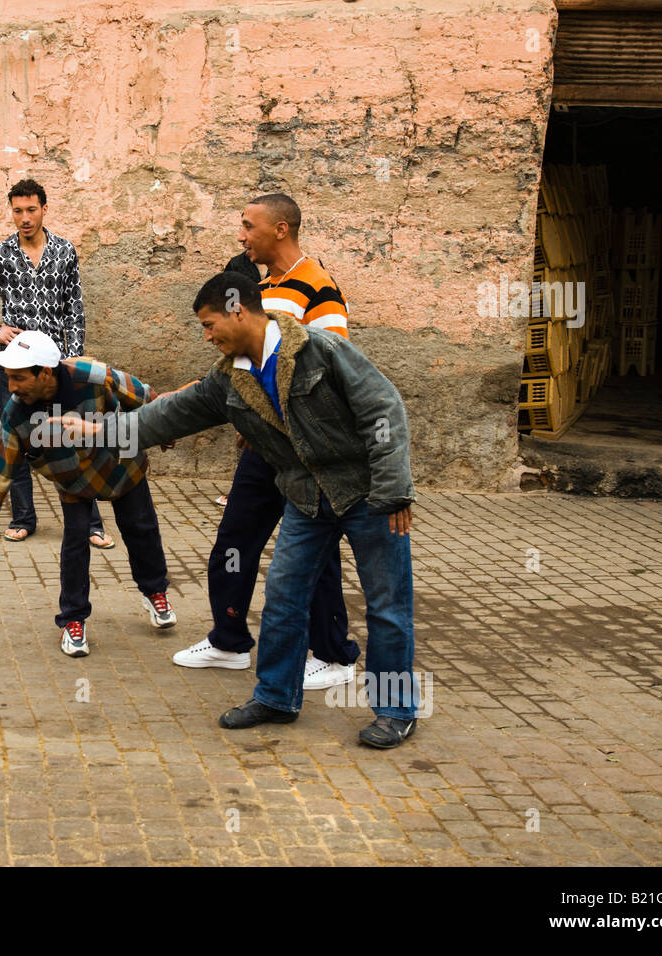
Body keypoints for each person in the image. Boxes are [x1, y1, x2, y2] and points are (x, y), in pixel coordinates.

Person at [87, 274, 420, 748]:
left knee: (387, 607)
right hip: (306, 497)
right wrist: (94, 432)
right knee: (284, 597)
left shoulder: (320, 350)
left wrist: (394, 491)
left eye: (208, 324)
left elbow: (382, 409)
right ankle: (277, 697)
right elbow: (167, 415)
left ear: (237, 309)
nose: (207, 335)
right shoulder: (229, 379)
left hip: (368, 495)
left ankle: (397, 710)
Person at [173, 195, 360, 692]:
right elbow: (244, 357)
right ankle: (229, 641)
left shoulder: (318, 288)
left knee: (314, 555)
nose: (241, 236)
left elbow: (330, 370)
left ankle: (336, 656)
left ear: (280, 230)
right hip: (262, 448)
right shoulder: (261, 288)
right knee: (234, 542)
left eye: (247, 226)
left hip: (304, 452)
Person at [0, 330, 176, 658]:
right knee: (75, 544)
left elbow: (143, 395)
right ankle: (73, 621)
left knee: (142, 530)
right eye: (8, 378)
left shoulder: (93, 377)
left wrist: (163, 428)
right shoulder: (17, 414)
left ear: (45, 372)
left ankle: (155, 593)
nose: (12, 388)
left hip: (121, 465)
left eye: (18, 378)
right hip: (72, 478)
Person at [0, 179, 113, 549]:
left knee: (71, 438)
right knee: (17, 439)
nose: (24, 218)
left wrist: (75, 354)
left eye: (31, 209)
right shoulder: (1, 255)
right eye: (18, 210)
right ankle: (24, 518)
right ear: (12, 211)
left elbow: (75, 308)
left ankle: (91, 523)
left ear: (44, 208)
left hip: (55, 366)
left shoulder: (64, 252)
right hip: (15, 365)